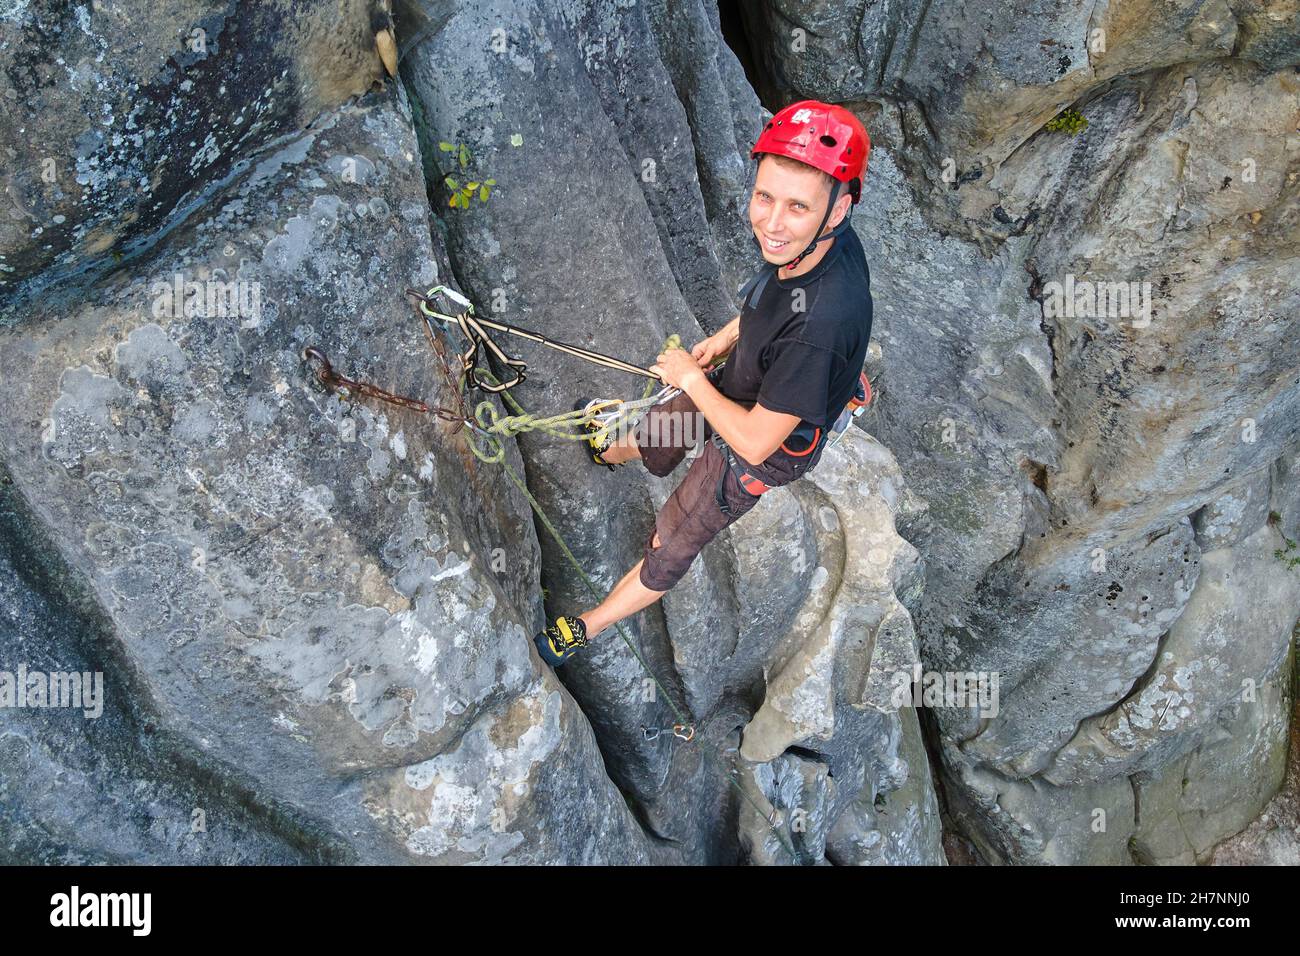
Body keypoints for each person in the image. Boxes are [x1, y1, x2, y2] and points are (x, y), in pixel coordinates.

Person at [534, 99, 874, 666]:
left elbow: (755, 442)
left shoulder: (824, 322)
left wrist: (692, 376)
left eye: (796, 207)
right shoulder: (820, 244)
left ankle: (586, 627)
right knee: (661, 431)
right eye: (764, 197)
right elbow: (780, 299)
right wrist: (727, 335)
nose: (771, 222)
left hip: (763, 448)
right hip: (746, 381)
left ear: (837, 210)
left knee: (672, 541)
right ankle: (610, 448)